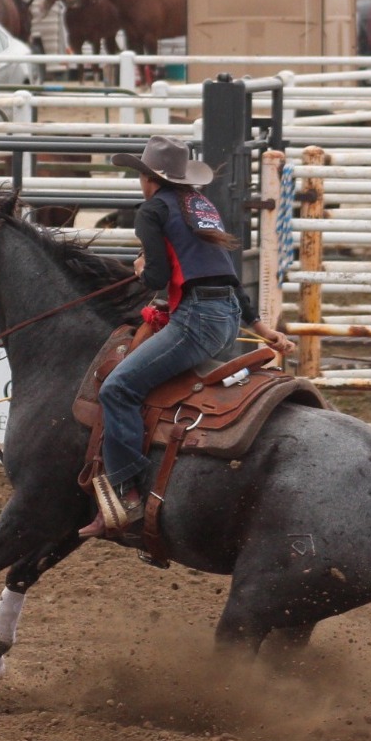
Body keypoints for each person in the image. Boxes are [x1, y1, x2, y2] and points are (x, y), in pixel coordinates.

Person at [79, 135, 296, 540]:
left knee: (118, 388)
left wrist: (142, 268)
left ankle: (128, 492)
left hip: (195, 320)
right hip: (226, 317)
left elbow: (158, 277)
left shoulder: (152, 209)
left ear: (148, 177)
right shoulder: (201, 206)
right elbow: (225, 273)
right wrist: (263, 329)